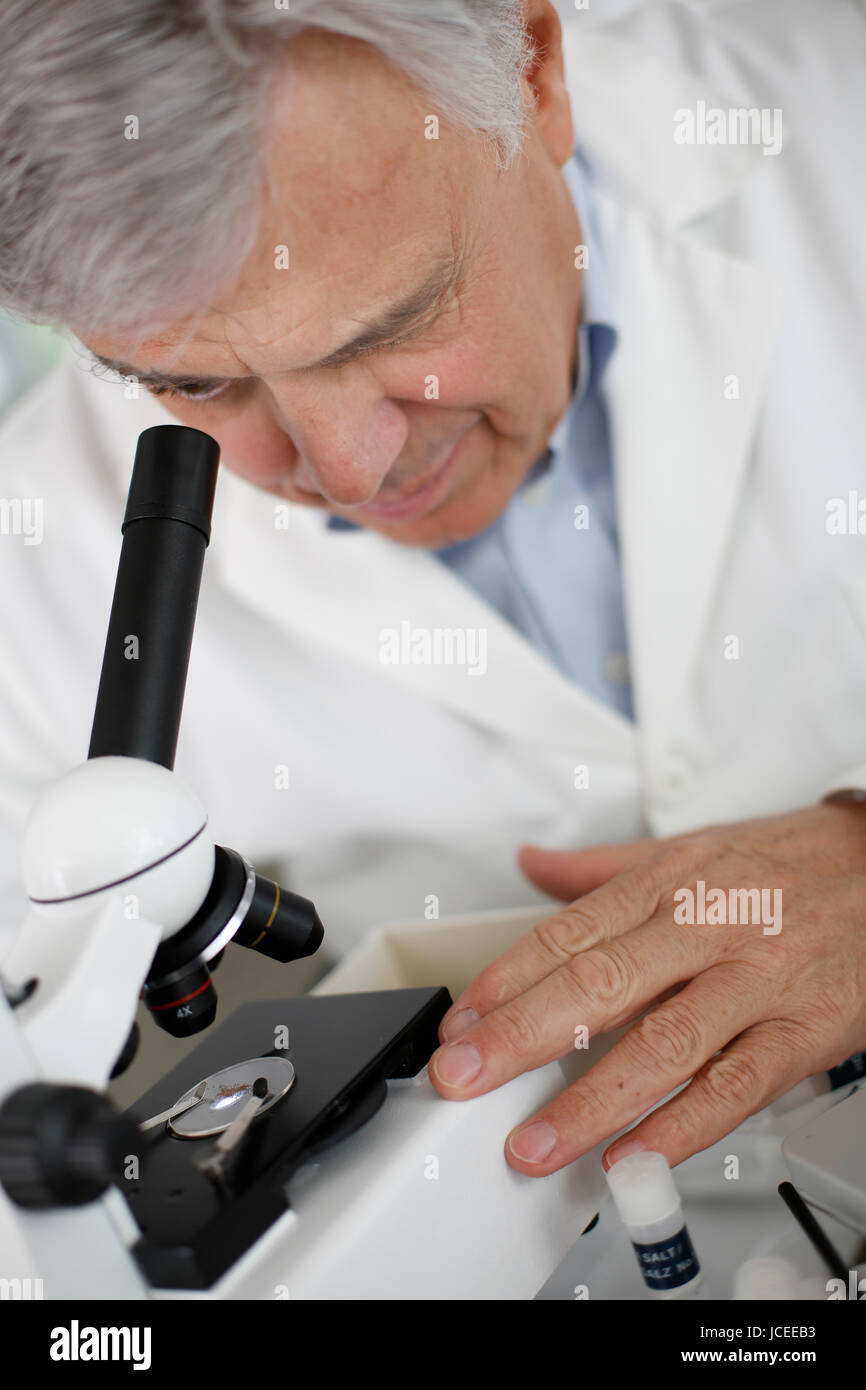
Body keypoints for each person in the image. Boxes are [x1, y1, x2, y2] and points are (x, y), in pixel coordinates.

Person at [0, 0, 864, 1180]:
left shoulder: (833, 113)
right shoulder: (34, 552)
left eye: (399, 321)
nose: (349, 469)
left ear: (534, 69)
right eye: (195, 386)